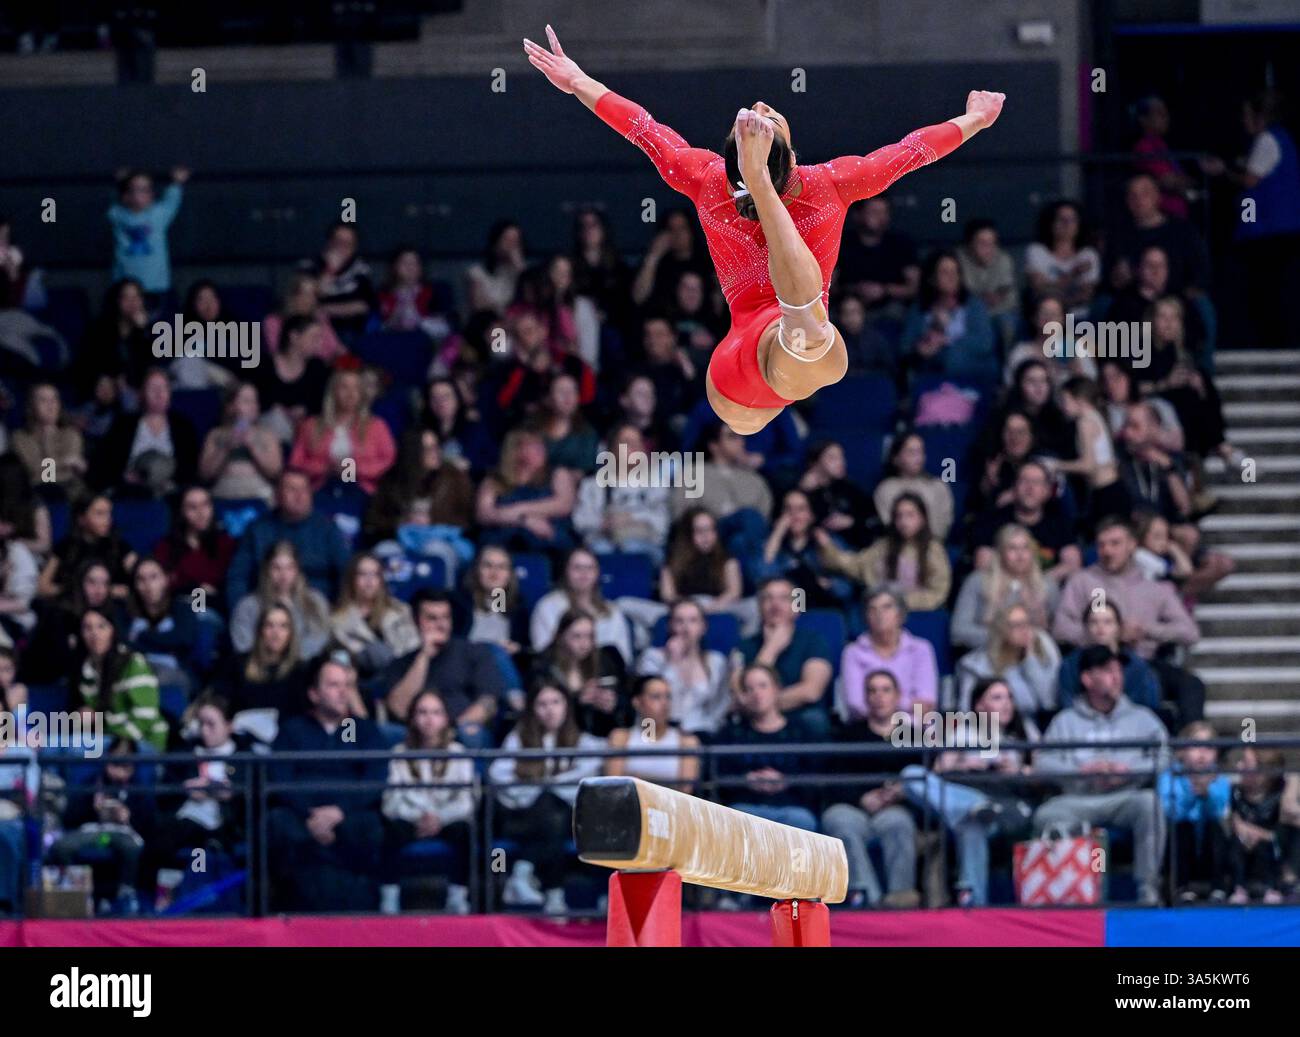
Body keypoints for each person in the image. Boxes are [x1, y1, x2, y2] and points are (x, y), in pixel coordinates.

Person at [525, 26, 1003, 434]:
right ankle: (800, 325)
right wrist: (975, 121)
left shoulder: (709, 179)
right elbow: (910, 151)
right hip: (779, 355)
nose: (759, 103)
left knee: (805, 331)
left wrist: (580, 81)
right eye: (767, 119)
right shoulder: (828, 184)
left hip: (739, 374)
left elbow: (644, 130)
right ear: (789, 155)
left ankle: (798, 326)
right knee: (812, 329)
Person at [1033, 645, 1169, 905]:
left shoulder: (1143, 718)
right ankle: (1079, 892)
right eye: (1108, 671)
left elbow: (1164, 758)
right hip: (1078, 800)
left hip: (1125, 796)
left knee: (1149, 804)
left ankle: (1147, 890)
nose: (1117, 677)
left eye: (1118, 671)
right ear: (1087, 679)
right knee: (1045, 815)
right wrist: (1081, 771)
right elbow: (1043, 763)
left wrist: (1128, 771)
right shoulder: (1065, 721)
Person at [900, 676, 1040, 907]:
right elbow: (938, 771)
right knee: (912, 775)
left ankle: (972, 904)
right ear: (979, 706)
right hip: (968, 799)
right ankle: (974, 904)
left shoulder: (1026, 732)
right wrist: (965, 766)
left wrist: (1018, 770)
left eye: (1009, 698)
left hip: (1004, 808)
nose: (1006, 704)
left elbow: (1041, 773)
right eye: (997, 698)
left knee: (973, 822)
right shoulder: (965, 731)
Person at [1053, 516, 1203, 727]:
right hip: (1095, 661)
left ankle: (1193, 749)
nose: (1107, 551)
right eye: (1102, 545)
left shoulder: (1154, 587)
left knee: (1191, 684)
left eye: (1115, 544)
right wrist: (1101, 635)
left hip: (1144, 660)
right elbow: (1061, 628)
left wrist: (1147, 631)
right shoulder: (1083, 581)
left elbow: (1190, 633)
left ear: (1132, 545)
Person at [268, 657, 388, 912]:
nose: (343, 691)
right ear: (314, 694)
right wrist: (310, 815)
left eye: (346, 685)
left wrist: (339, 812)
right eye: (334, 685)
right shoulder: (292, 730)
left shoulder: (364, 730)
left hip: (349, 817)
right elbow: (280, 779)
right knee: (277, 823)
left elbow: (375, 778)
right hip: (301, 818)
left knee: (370, 827)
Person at [488, 681, 604, 914]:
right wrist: (541, 789)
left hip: (566, 820)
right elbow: (496, 774)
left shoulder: (584, 741)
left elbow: (590, 770)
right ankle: (554, 896)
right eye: (542, 704)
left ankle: (525, 875)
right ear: (532, 709)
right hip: (523, 817)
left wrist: (543, 782)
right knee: (550, 808)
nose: (549, 709)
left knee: (555, 813)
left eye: (555, 702)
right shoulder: (518, 739)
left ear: (566, 707)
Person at [1201, 89, 1300, 348]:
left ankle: (1275, 342)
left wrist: (1222, 170)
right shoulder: (1274, 140)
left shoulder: (1269, 139)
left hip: (1272, 232)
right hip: (1268, 230)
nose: (1243, 121)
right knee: (1266, 290)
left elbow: (1249, 180)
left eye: (1247, 115)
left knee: (1269, 291)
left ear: (1260, 117)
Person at [820, 670, 920, 908]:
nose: (879, 696)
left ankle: (900, 900)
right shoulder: (848, 735)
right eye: (872, 691)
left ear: (897, 696)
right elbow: (833, 781)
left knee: (899, 823)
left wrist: (896, 795)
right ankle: (866, 898)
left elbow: (922, 785)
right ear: (865, 697)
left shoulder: (914, 737)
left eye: (885, 690)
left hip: (894, 808)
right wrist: (862, 798)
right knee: (838, 819)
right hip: (855, 807)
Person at [381, 689, 476, 915]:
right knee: (389, 831)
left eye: (436, 712)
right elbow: (391, 800)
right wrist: (420, 819)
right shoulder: (399, 753)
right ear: (413, 718)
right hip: (410, 820)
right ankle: (389, 898)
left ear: (445, 718)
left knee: (466, 831)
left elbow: (467, 801)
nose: (429, 719)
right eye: (422, 712)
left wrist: (439, 819)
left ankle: (458, 897)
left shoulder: (458, 753)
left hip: (448, 820)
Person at [151, 692, 250, 895]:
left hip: (226, 824)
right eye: (201, 723)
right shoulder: (184, 754)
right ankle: (163, 899)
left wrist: (230, 792)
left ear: (229, 725)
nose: (205, 731)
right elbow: (164, 792)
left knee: (207, 847)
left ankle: (207, 900)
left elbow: (253, 794)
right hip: (187, 820)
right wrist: (185, 790)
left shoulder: (244, 758)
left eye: (211, 724)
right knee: (166, 833)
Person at [46, 737, 155, 916]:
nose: (120, 766)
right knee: (63, 846)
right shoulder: (93, 782)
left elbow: (150, 822)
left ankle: (125, 896)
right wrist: (92, 807)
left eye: (126, 761)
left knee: (131, 847)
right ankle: (75, 897)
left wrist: (128, 816)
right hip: (93, 830)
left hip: (124, 832)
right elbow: (69, 818)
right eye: (116, 759)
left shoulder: (138, 787)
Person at [380, 590, 504, 744]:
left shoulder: (474, 652)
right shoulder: (401, 662)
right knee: (384, 733)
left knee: (471, 733)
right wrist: (424, 656)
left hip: (460, 732)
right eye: (432, 618)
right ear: (416, 621)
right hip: (416, 736)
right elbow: (399, 709)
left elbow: (488, 702)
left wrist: (450, 732)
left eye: (446, 617)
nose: (441, 624)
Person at [714, 664, 818, 832]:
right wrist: (745, 779)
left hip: (791, 807)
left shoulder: (801, 731)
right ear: (744, 696)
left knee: (801, 820)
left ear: (777, 689)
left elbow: (814, 777)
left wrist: (785, 781)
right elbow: (719, 775)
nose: (757, 693)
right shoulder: (731, 733)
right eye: (749, 689)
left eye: (763, 686)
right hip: (745, 806)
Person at [730, 577, 833, 739]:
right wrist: (771, 649)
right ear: (759, 607)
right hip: (754, 722)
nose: (775, 605)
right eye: (768, 598)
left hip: (798, 717)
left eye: (784, 598)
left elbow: (811, 691)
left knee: (815, 720)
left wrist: (762, 704)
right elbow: (739, 693)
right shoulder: (744, 646)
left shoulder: (813, 641)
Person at [226, 469, 350, 604]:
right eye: (292, 489)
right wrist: (242, 611)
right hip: (268, 611)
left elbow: (347, 573)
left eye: (304, 489)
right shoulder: (258, 529)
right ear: (277, 496)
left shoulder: (328, 528)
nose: (299, 495)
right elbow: (238, 577)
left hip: (317, 609)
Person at [815, 492, 950, 611]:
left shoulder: (933, 550)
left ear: (922, 519)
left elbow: (938, 592)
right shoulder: (883, 547)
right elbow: (854, 564)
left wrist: (900, 602)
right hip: (881, 614)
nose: (904, 521)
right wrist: (827, 546)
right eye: (899, 516)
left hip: (920, 615)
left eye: (910, 515)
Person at [71, 607, 167, 751]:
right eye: (87, 628)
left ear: (113, 631)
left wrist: (119, 745)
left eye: (101, 626)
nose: (94, 634)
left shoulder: (133, 663)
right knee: (54, 746)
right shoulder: (86, 669)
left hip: (142, 742)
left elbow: (146, 715)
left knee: (71, 749)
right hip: (108, 740)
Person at [572, 423, 672, 560]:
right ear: (612, 449)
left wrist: (630, 518)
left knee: (634, 548)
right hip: (602, 546)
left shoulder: (657, 484)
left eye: (638, 443)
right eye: (628, 442)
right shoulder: (591, 485)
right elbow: (580, 521)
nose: (635, 447)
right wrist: (604, 523)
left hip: (644, 546)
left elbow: (662, 525)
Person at [970, 460, 1081, 583]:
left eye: (1037, 482)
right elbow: (982, 564)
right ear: (1014, 488)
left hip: (1045, 592)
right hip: (1001, 591)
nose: (1030, 488)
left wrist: (1038, 584)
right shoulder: (992, 520)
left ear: (1047, 491)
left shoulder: (1059, 522)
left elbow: (1073, 564)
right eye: (1024, 481)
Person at [288, 369, 397, 495]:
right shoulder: (311, 425)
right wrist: (325, 468)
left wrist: (355, 469)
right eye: (344, 387)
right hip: (319, 491)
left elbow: (389, 461)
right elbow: (296, 463)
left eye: (356, 388)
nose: (351, 394)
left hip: (363, 492)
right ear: (333, 392)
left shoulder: (377, 426)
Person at [94, 367, 200, 496]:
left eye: (164, 388)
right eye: (153, 388)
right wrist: (124, 477)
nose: (159, 393)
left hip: (170, 492)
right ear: (142, 393)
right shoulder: (123, 425)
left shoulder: (183, 427)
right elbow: (105, 462)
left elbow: (190, 468)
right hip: (128, 489)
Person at [952, 523, 1058, 650]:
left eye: (1025, 548)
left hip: (1032, 656)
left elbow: (1058, 631)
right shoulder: (977, 581)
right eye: (1012, 548)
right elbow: (958, 631)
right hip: (987, 655)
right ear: (1000, 553)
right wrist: (1004, 638)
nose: (1020, 555)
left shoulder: (1047, 584)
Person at [635, 599, 732, 736]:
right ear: (670, 626)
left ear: (703, 627)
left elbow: (719, 707)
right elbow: (647, 707)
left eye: (693, 621)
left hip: (704, 733)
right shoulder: (652, 658)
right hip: (658, 731)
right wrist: (673, 663)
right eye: (679, 621)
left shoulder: (715, 662)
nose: (686, 628)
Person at [1158, 721, 1231, 903]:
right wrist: (1192, 793)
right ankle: (1181, 888)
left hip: (1208, 849)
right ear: (1182, 751)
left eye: (1208, 747)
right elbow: (1169, 813)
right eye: (1196, 746)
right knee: (1182, 828)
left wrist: (1207, 793)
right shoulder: (1169, 777)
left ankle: (1219, 888)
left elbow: (1220, 813)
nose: (1202, 753)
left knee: (1215, 828)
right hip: (1179, 849)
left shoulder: (1220, 780)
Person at [364, 427, 476, 544]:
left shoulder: (454, 478)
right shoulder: (392, 481)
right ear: (413, 452)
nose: (435, 453)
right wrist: (404, 521)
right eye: (428, 449)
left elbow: (466, 520)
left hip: (443, 542)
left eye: (436, 446)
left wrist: (432, 522)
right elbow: (375, 521)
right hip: (401, 541)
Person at [475, 428, 578, 555]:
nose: (541, 450)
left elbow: (564, 505)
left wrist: (518, 510)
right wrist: (524, 521)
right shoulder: (495, 480)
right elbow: (484, 514)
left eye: (541, 445)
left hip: (548, 538)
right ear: (516, 450)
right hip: (503, 540)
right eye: (533, 446)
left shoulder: (557, 474)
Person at [840, 586, 939, 718]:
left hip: (914, 729)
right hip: (868, 729)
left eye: (887, 607)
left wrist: (880, 704)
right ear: (866, 616)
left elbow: (926, 704)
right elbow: (856, 705)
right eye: (872, 609)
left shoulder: (921, 649)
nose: (879, 615)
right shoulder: (853, 652)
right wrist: (907, 704)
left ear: (900, 614)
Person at [901, 249, 998, 382]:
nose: (952, 277)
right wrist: (921, 348)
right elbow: (905, 347)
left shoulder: (974, 305)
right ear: (931, 279)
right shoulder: (918, 309)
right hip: (931, 372)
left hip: (971, 370)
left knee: (951, 357)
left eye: (955, 271)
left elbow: (984, 342)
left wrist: (946, 341)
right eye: (945, 272)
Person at [1048, 375, 1129, 532]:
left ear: (1079, 400)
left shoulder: (1085, 422)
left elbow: (1088, 466)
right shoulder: (1098, 416)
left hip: (1107, 494)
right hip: (1112, 489)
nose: (1063, 407)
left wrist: (1055, 465)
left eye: (1065, 401)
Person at [230, 540, 331, 662]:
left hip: (304, 671)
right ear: (267, 570)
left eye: (290, 567)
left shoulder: (315, 602)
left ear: (298, 570)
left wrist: (287, 664)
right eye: (276, 568)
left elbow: (318, 642)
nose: (284, 575)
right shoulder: (248, 606)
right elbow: (243, 646)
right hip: (258, 673)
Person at [535, 609, 630, 738]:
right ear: (561, 636)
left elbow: (629, 706)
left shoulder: (607, 660)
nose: (584, 643)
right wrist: (578, 701)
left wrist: (614, 704)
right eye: (577, 636)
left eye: (589, 636)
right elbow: (539, 709)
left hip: (602, 735)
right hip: (559, 738)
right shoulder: (543, 667)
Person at [1056, 599, 1162, 715]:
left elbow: (1148, 708)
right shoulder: (1070, 665)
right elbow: (1066, 705)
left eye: (1108, 622)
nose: (1100, 628)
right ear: (1085, 628)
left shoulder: (1137, 666)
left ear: (1118, 628)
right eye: (1093, 622)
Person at [529, 547, 633, 664]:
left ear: (597, 573)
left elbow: (623, 657)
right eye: (577, 567)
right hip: (561, 675)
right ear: (565, 571)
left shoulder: (612, 611)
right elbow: (543, 652)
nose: (584, 573)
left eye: (590, 568)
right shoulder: (547, 606)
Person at [956, 603, 1060, 719]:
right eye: (1017, 625)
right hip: (987, 730)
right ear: (1001, 630)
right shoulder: (977, 666)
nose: (1024, 630)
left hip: (1028, 730)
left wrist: (1030, 657)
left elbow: (1048, 702)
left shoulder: (1040, 659)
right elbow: (965, 709)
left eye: (1027, 623)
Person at [214, 604, 311, 724]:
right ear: (260, 631)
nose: (276, 633)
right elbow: (222, 702)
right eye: (269, 625)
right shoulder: (238, 664)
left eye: (283, 626)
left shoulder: (301, 670)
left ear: (291, 633)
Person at [329, 553, 420, 679]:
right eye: (362, 574)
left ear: (381, 580)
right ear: (351, 580)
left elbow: (413, 648)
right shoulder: (337, 621)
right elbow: (339, 657)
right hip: (360, 680)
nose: (369, 581)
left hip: (402, 677)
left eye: (375, 574)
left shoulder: (400, 611)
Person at [759, 489, 853, 610]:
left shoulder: (828, 540)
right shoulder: (773, 544)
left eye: (801, 509)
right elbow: (762, 577)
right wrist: (777, 533)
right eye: (788, 509)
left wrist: (826, 583)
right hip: (786, 607)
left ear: (811, 515)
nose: (794, 515)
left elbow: (846, 588)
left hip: (823, 606)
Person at [126, 555, 209, 692]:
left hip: (176, 674)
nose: (148, 585)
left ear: (165, 579)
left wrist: (142, 636)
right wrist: (166, 644)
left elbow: (183, 639)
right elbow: (125, 645)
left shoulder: (182, 606)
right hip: (138, 670)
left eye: (154, 577)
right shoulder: (128, 612)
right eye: (141, 579)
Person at [604, 675, 701, 791]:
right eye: (656, 697)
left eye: (668, 697)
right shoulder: (620, 738)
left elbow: (685, 791)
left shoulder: (687, 742)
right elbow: (614, 786)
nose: (664, 703)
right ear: (637, 702)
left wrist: (636, 778)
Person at [108, 165, 188, 301]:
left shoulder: (159, 214)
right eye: (137, 189)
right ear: (126, 195)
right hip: (125, 288)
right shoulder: (117, 214)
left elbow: (172, 201)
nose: (142, 194)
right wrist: (120, 183)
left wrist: (176, 183)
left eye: (146, 190)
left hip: (156, 286)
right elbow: (113, 201)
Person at [198, 381, 284, 504]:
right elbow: (205, 475)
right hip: (223, 497)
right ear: (230, 406)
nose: (253, 406)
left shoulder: (267, 435)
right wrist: (226, 447)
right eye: (246, 401)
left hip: (259, 497)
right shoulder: (215, 435)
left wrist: (252, 446)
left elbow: (275, 472)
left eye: (254, 401)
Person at [153, 486, 236, 603]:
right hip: (177, 606)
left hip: (215, 608)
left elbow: (233, 584)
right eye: (192, 507)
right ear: (181, 511)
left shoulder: (226, 544)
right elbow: (161, 585)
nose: (201, 513)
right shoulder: (166, 547)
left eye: (205, 505)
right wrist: (197, 589)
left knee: (201, 613)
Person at [1226, 746, 1287, 904]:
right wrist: (1239, 829)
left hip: (1271, 852)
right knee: (1234, 844)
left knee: (1265, 846)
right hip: (1242, 847)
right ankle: (1238, 887)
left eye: (1245, 763)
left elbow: (1279, 834)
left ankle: (1272, 887)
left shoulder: (1279, 796)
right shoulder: (1234, 792)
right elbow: (1230, 821)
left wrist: (1254, 832)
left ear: (1264, 774)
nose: (1239, 766)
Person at [11, 382, 88, 501]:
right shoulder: (20, 438)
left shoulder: (71, 434)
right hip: (34, 496)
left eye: (54, 399)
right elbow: (34, 471)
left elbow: (69, 473)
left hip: (69, 493)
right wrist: (65, 462)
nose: (50, 405)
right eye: (43, 400)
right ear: (31, 406)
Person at [874, 429, 954, 542]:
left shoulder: (939, 486)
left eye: (920, 452)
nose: (918, 458)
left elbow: (944, 523)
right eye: (911, 452)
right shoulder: (885, 489)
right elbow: (889, 524)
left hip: (932, 546)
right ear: (896, 458)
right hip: (898, 548)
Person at [1023, 200, 1101, 315]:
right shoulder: (1036, 251)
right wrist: (1074, 273)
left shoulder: (1088, 255)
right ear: (1050, 223)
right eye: (1061, 219)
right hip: (1046, 318)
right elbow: (1040, 289)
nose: (1067, 224)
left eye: (1072, 220)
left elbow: (1086, 294)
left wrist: (1056, 294)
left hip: (1080, 317)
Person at [299, 222, 375, 339]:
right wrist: (330, 270)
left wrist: (326, 309)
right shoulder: (309, 265)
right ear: (329, 242)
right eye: (338, 242)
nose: (342, 248)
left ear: (354, 247)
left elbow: (364, 305)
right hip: (314, 330)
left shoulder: (361, 268)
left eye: (348, 244)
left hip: (351, 330)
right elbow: (305, 301)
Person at [798, 439, 877, 548]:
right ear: (814, 463)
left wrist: (851, 521)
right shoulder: (802, 490)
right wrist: (804, 491)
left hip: (853, 546)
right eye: (832, 458)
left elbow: (873, 517)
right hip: (815, 545)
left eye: (842, 457)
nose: (841, 462)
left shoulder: (850, 488)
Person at [956, 218, 1019, 350]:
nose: (988, 249)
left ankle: (1008, 368)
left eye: (992, 243)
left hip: (1000, 310)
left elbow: (1002, 294)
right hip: (968, 312)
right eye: (982, 243)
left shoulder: (1003, 259)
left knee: (1006, 324)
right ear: (969, 244)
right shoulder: (957, 259)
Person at [459, 545, 530, 660]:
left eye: (501, 567)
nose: (494, 572)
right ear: (477, 570)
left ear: (509, 574)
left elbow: (525, 648)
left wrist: (517, 648)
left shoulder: (517, 606)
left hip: (502, 665)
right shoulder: (461, 602)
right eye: (488, 565)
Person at [1132, 96, 1193, 219]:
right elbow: (1168, 181)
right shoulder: (1145, 146)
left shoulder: (1161, 144)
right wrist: (1187, 181)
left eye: (1165, 113)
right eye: (1159, 113)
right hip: (1162, 215)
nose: (1165, 118)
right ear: (1143, 119)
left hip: (1179, 214)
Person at [466, 220, 527, 318]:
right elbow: (478, 306)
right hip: (488, 322)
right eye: (507, 240)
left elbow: (530, 299)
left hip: (515, 322)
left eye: (516, 241)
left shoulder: (521, 271)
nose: (511, 246)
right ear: (495, 242)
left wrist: (519, 266)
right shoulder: (477, 271)